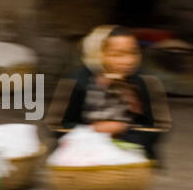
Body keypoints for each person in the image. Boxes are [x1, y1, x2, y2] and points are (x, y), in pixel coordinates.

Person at [59, 26, 165, 161]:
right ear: (97, 55)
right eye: (117, 55)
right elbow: (59, 128)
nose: (128, 61)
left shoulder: (144, 82)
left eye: (132, 53)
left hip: (130, 159)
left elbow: (157, 129)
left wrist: (124, 129)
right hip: (82, 156)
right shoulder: (77, 82)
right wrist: (94, 129)